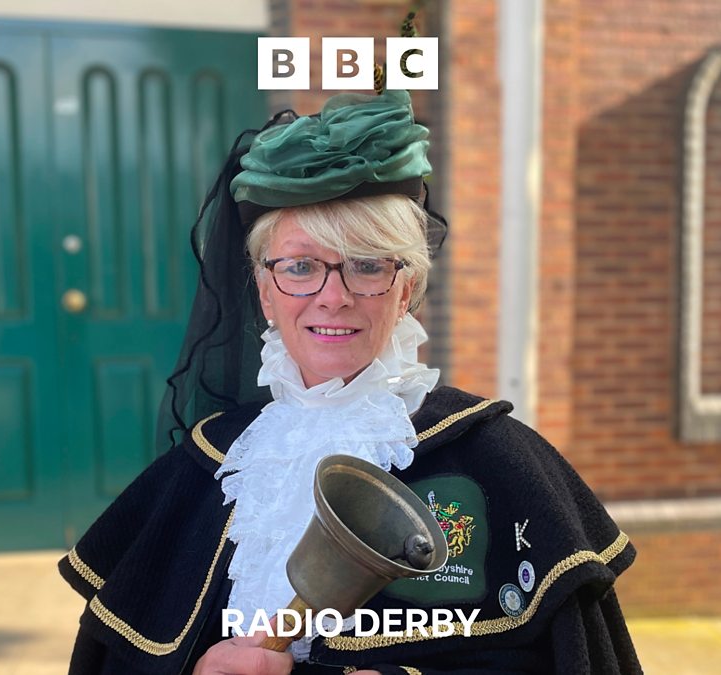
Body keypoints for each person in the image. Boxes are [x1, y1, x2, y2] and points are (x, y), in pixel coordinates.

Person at [59, 84, 641, 674]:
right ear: (264, 290)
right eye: (301, 267)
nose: (333, 297)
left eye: (367, 266)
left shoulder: (500, 459)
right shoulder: (209, 464)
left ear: (407, 290)